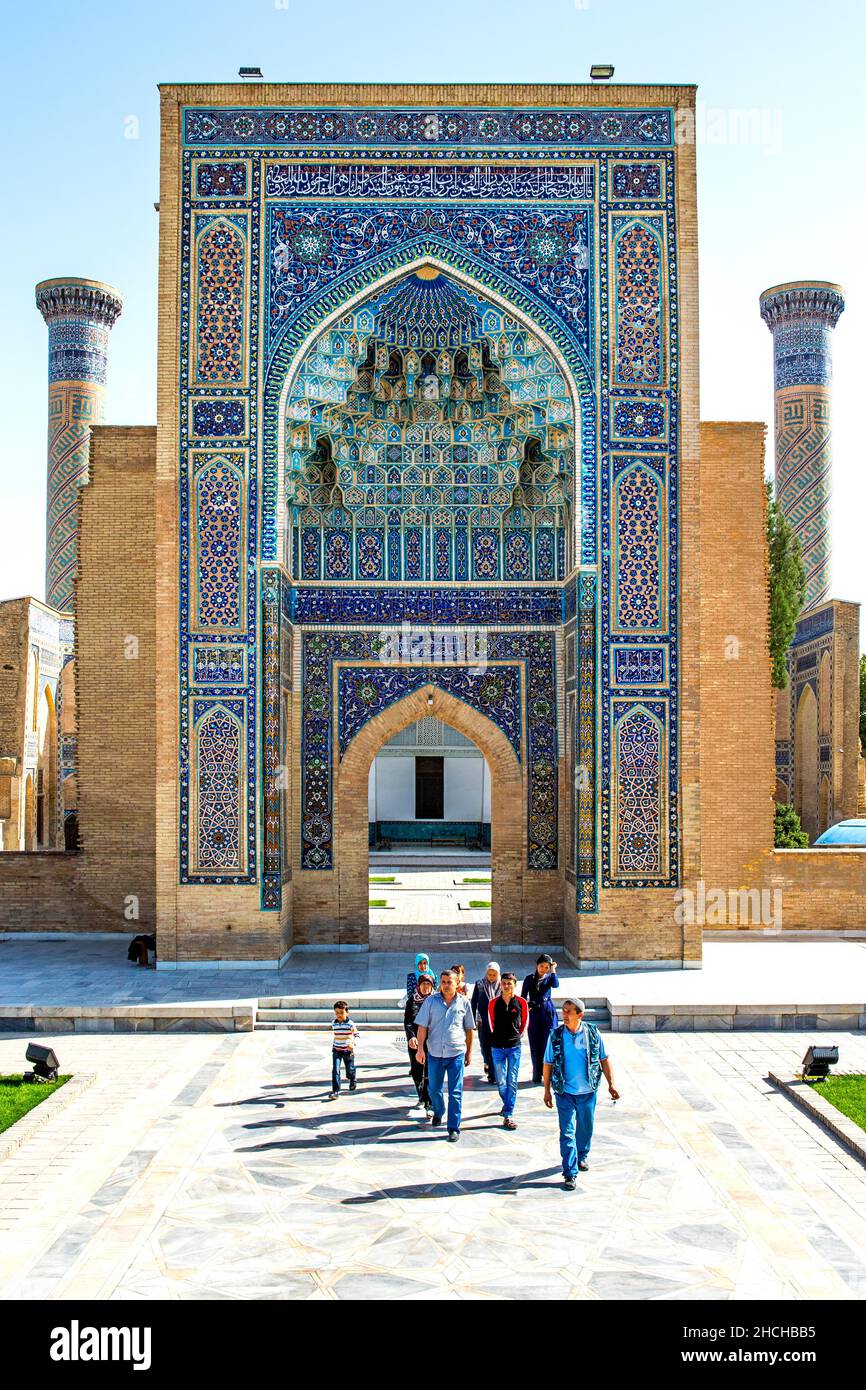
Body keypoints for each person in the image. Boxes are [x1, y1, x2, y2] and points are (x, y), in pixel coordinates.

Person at [543, 997, 620, 1189]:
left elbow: (604, 1059)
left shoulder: (592, 1033)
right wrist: (546, 1090)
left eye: (569, 1011)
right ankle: (569, 1172)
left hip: (587, 1091)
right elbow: (548, 1063)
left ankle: (582, 1155)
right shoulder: (555, 1036)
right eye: (564, 1011)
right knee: (567, 1132)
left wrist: (612, 1084)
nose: (565, 1015)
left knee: (585, 1127)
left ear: (580, 1015)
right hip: (564, 1092)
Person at [414, 968, 475, 1141]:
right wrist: (420, 1050)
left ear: (457, 983)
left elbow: (469, 1029)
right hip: (435, 1053)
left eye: (450, 982)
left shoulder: (464, 1003)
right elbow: (422, 1027)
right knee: (434, 1089)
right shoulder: (431, 1002)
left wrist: (469, 1052)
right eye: (443, 982)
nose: (446, 985)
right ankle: (439, 1111)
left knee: (456, 1092)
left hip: (456, 1053)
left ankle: (453, 1127)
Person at [487, 972, 528, 1129]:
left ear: (514, 985)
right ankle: (507, 1102)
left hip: (514, 1047)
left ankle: (509, 1113)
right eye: (504, 983)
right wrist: (497, 1038)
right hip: (497, 1046)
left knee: (512, 1079)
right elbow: (491, 1023)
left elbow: (524, 1021)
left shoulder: (521, 1003)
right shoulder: (493, 1003)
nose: (506, 986)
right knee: (501, 1080)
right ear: (500, 985)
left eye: (509, 983)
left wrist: (517, 1036)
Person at [521, 953, 560, 1084]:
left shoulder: (549, 978)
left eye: (546, 967)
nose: (543, 969)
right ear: (537, 965)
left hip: (547, 1012)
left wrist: (553, 970)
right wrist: (527, 1005)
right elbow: (522, 996)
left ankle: (548, 1074)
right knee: (535, 1044)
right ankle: (537, 1074)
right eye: (541, 966)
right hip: (534, 1013)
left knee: (548, 1043)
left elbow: (556, 984)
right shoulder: (529, 979)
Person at [403, 971, 435, 1117]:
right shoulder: (412, 1001)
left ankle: (429, 1102)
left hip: (432, 1041)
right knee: (417, 1070)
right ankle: (421, 1096)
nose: (426, 987)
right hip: (416, 1041)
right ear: (419, 985)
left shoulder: (436, 1000)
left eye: (429, 984)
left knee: (429, 1071)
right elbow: (408, 1021)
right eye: (424, 984)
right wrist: (411, 1037)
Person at [471, 961, 501, 1084]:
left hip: (497, 1022)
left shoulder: (502, 985)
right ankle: (487, 1062)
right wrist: (472, 1020)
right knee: (485, 1046)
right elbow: (473, 1002)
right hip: (483, 1021)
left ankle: (493, 1075)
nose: (492, 977)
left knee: (494, 1047)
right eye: (490, 974)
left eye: (494, 974)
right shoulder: (480, 984)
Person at [327, 999, 360, 1100]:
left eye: (341, 1012)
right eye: (337, 1012)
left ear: (347, 1012)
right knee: (335, 1070)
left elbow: (357, 1035)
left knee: (349, 1069)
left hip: (347, 1050)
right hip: (336, 1049)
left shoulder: (350, 1024)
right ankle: (335, 1091)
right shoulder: (334, 1023)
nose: (339, 1015)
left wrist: (353, 1044)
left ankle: (352, 1079)